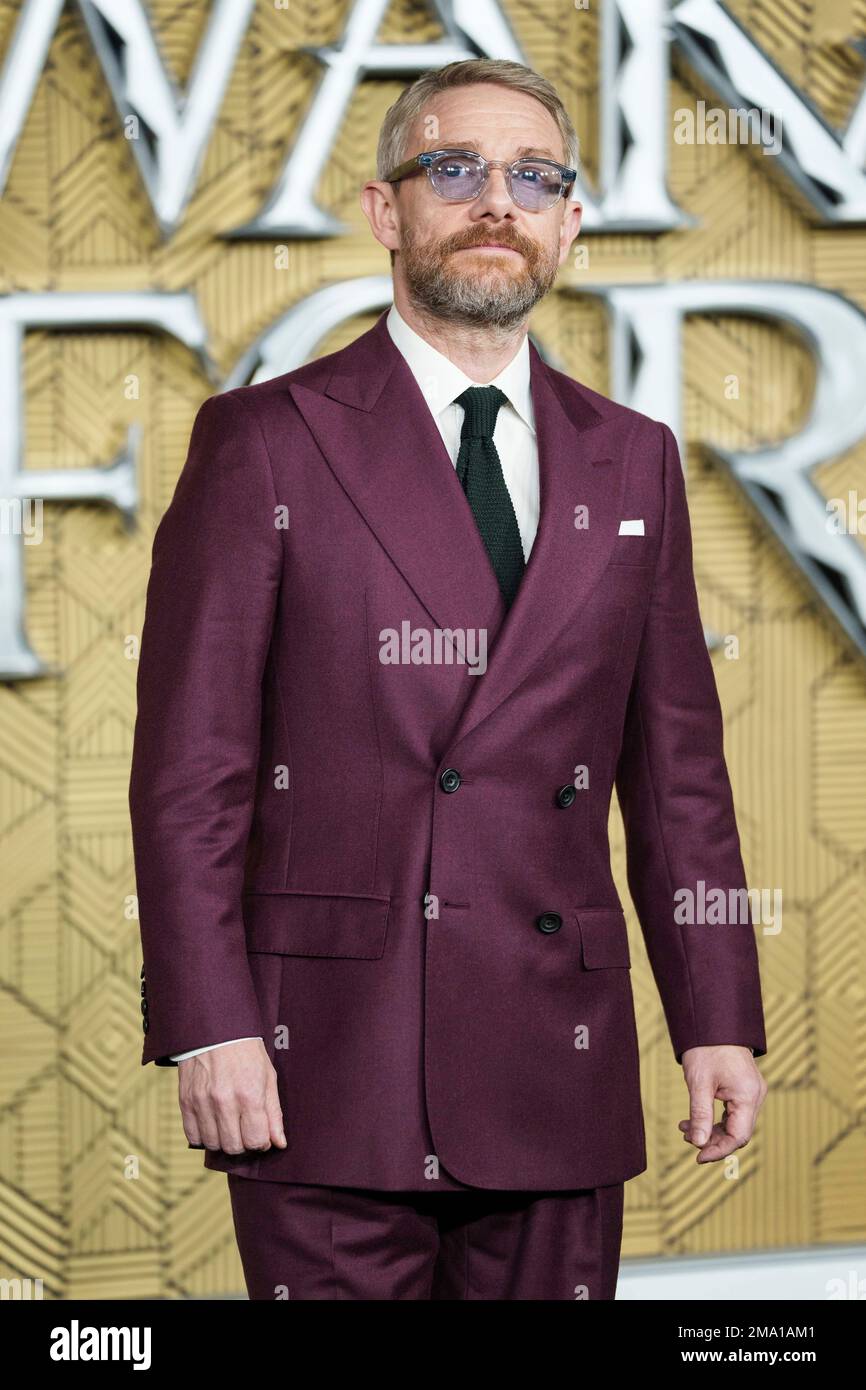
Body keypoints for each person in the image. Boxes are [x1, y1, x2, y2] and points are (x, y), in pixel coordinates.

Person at [129, 58, 768, 1301]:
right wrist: (210, 1023)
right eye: (453, 168)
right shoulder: (265, 436)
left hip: (554, 1060)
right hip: (327, 1064)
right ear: (385, 210)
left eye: (533, 177)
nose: (496, 200)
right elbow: (191, 773)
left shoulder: (630, 460)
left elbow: (680, 776)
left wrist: (716, 1014)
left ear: (569, 221)